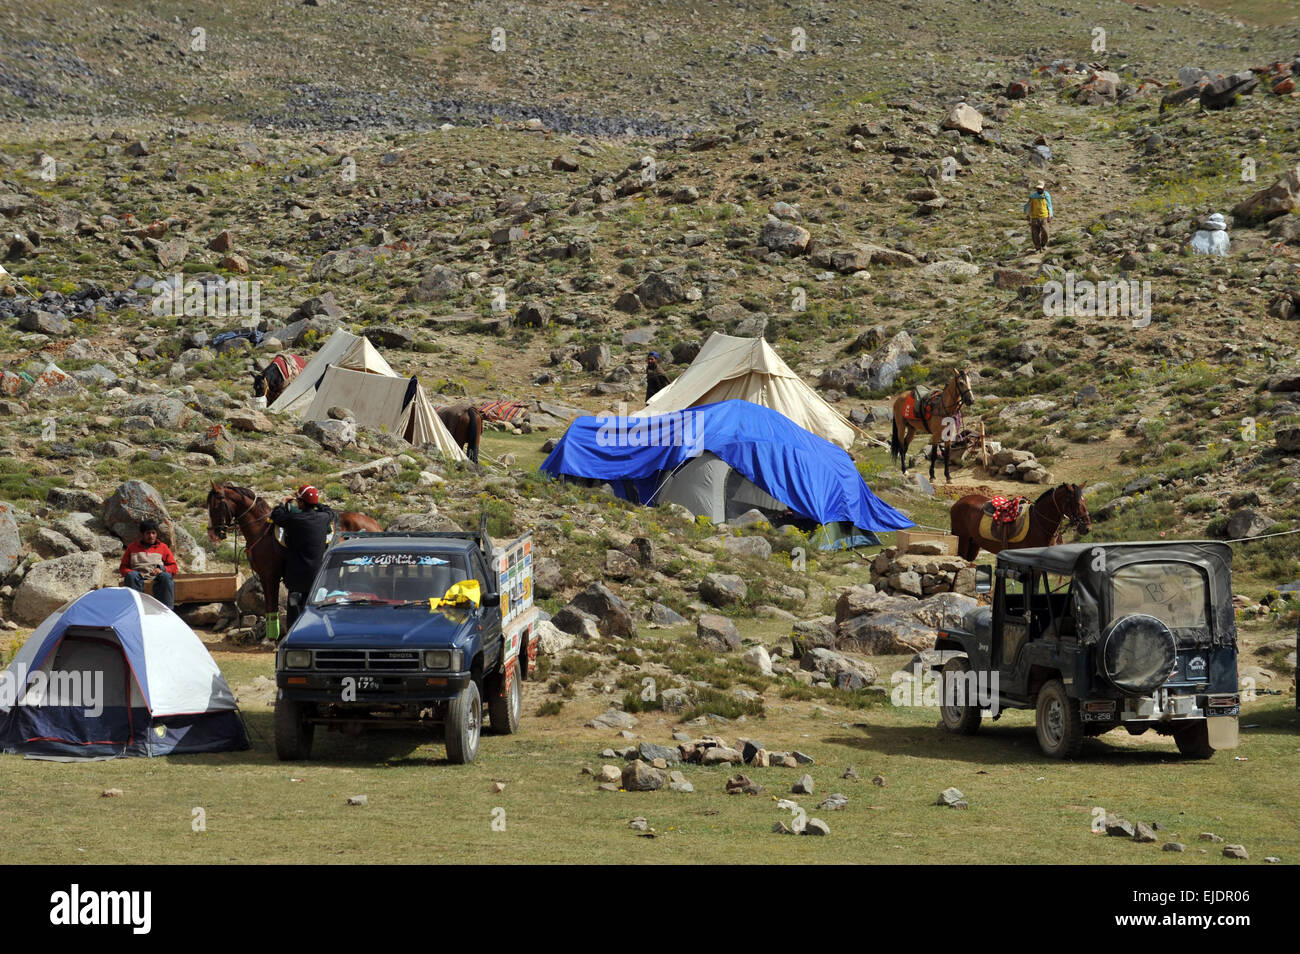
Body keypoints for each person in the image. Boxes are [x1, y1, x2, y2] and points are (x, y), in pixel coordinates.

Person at [270, 484, 337, 631]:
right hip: (317, 578)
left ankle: (295, 638)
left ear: (300, 502)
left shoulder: (294, 519)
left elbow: (276, 516)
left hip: (296, 579)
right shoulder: (323, 517)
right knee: (315, 612)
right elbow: (330, 511)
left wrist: (283, 502)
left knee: (295, 615)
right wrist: (315, 502)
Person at [119, 519, 178, 609]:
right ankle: (134, 609)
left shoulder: (163, 547)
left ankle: (167, 610)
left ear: (156, 534)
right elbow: (123, 568)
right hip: (137, 578)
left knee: (166, 577)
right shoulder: (132, 547)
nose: (151, 536)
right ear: (142, 534)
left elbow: (174, 567)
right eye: (148, 533)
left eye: (153, 533)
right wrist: (134, 573)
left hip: (157, 578)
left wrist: (162, 569)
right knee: (131, 575)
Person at [1024, 179, 1054, 252]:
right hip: (1034, 217)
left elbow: (1049, 205)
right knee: (1035, 234)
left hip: (1044, 216)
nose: (1039, 189)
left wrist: (1050, 215)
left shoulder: (1046, 195)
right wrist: (1028, 215)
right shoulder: (1033, 196)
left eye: (1041, 188)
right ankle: (1037, 247)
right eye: (1038, 188)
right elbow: (1029, 206)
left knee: (1045, 232)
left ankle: (1043, 245)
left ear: (1043, 188)